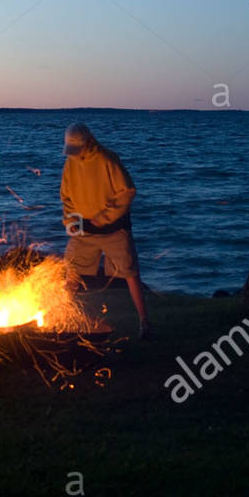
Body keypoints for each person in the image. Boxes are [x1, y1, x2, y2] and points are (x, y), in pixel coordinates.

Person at [60, 122, 150, 339]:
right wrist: (70, 221)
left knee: (129, 272)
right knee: (71, 274)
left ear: (88, 142)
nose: (74, 154)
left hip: (114, 230)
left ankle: (144, 321)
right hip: (84, 230)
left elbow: (126, 191)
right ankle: (64, 318)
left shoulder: (108, 159)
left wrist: (104, 218)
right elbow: (66, 197)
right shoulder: (70, 163)